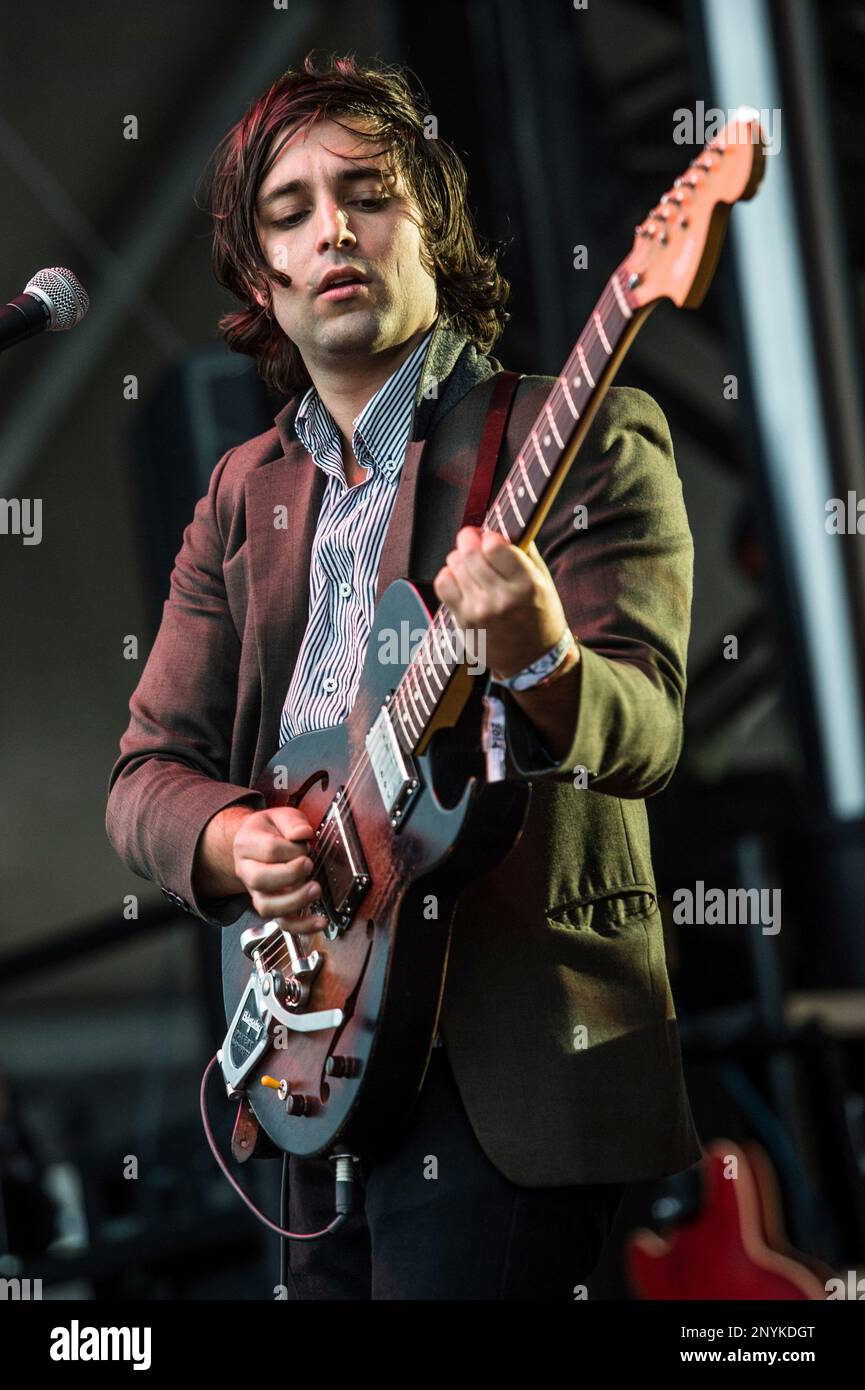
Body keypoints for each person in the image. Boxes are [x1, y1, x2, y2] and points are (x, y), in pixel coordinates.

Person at [106, 53, 703, 1300]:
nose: (332, 227)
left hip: (504, 1073)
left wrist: (535, 650)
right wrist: (229, 839)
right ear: (261, 283)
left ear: (429, 220)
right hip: (309, 1058)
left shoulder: (576, 435)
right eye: (289, 211)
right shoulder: (241, 495)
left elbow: (644, 731)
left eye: (367, 190)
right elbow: (144, 775)